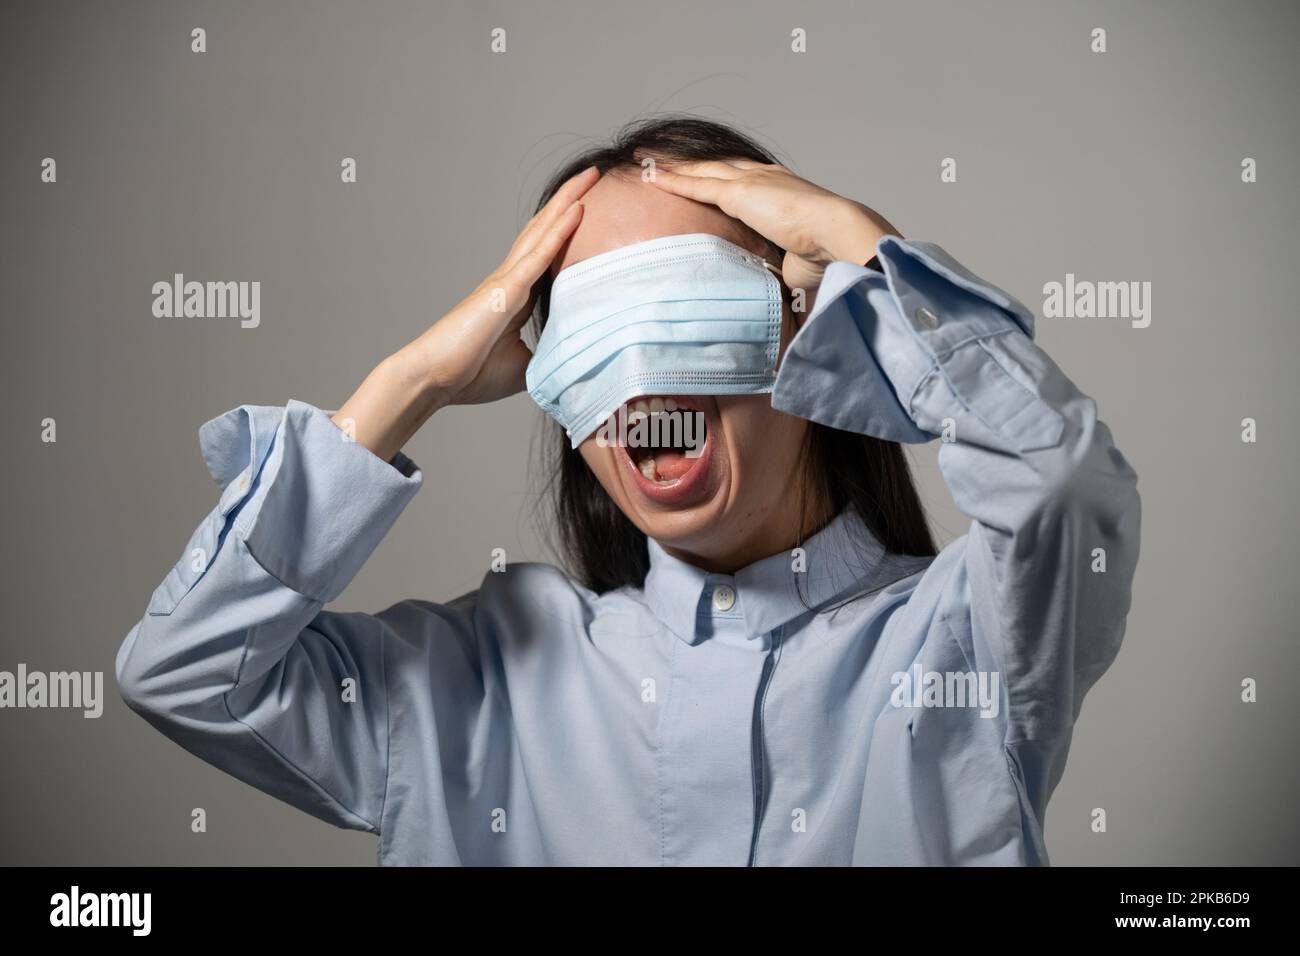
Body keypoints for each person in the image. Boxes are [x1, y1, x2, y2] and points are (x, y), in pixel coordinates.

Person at [115, 116, 1141, 865]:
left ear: (806, 333)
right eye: (591, 335)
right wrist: (411, 382)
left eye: (682, 304)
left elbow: (1057, 481)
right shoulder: (473, 683)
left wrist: (867, 255)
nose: (639, 380)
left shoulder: (966, 642)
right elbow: (183, 671)